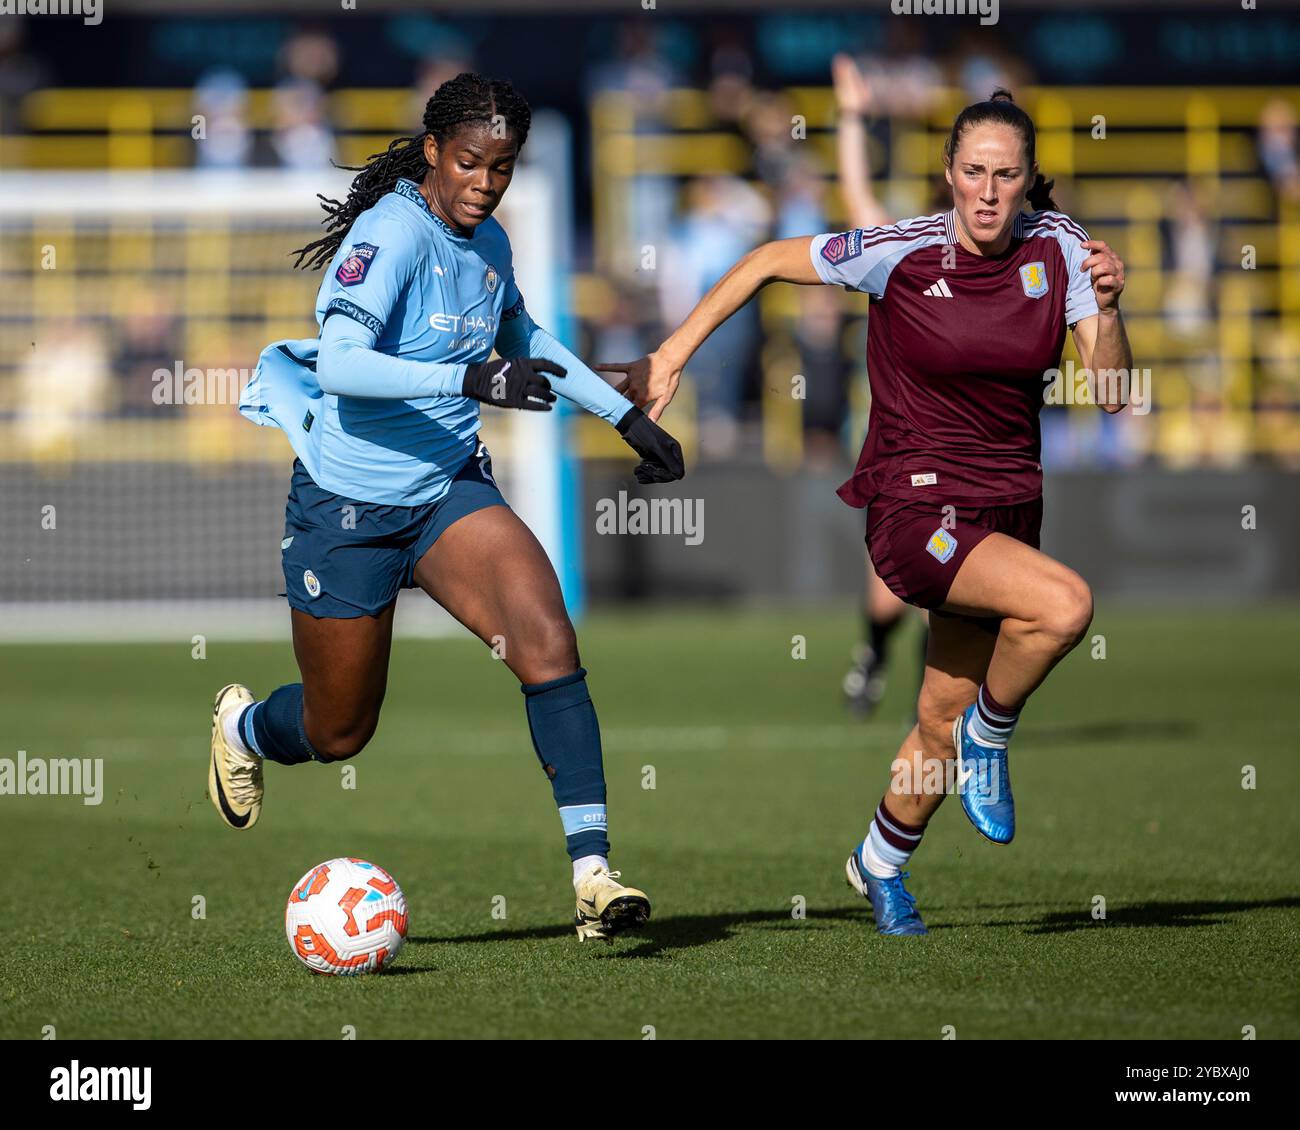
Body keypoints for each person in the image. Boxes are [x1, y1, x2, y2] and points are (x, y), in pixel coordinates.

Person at [598, 89, 1132, 936]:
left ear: (1030, 180)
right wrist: (671, 356)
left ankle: (879, 863)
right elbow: (769, 257)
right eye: (973, 173)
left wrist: (1107, 309)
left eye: (1007, 175)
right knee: (1065, 605)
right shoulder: (901, 250)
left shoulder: (1062, 248)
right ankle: (996, 737)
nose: (989, 192)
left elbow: (1109, 395)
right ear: (949, 175)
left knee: (935, 723)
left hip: (1009, 506)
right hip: (913, 504)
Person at [210, 72, 685, 943]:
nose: (485, 183)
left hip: (446, 490)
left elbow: (525, 342)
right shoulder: (387, 236)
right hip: (347, 505)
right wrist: (467, 377)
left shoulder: (491, 243)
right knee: (339, 729)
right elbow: (343, 364)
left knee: (548, 644)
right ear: (433, 152)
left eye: (502, 168)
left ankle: (592, 874)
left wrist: (622, 416)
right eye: (470, 163)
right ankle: (243, 726)